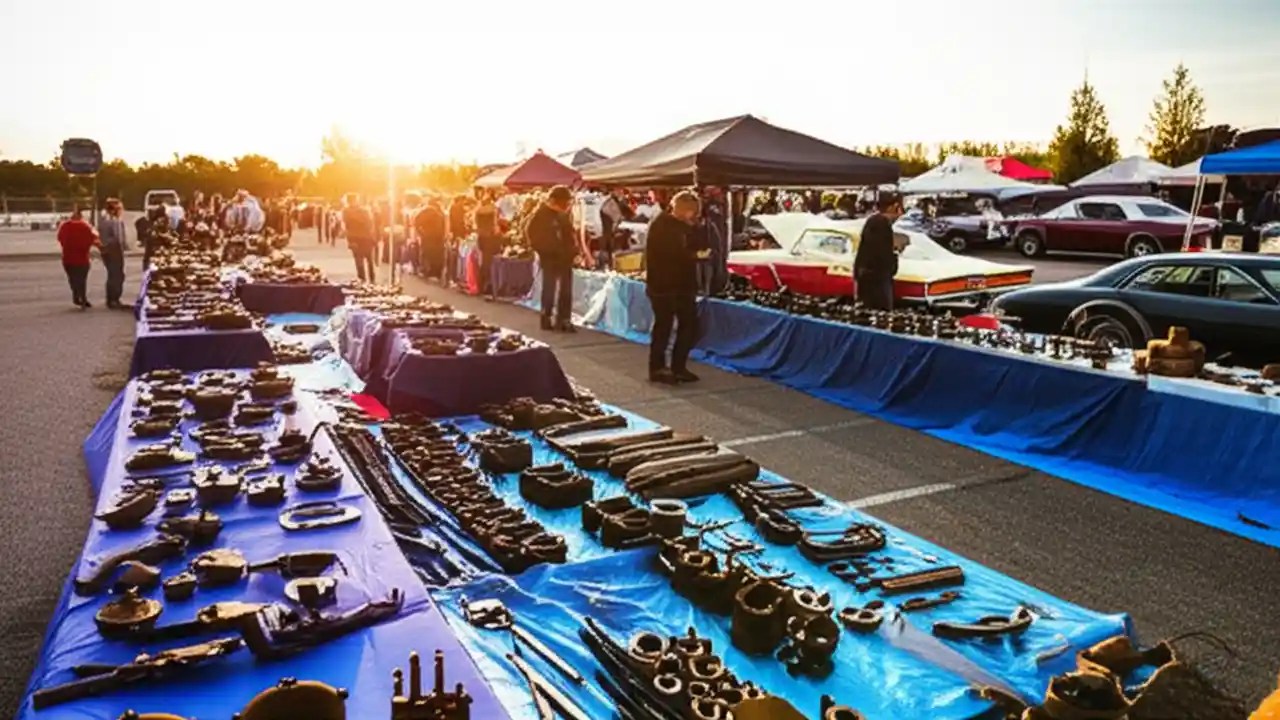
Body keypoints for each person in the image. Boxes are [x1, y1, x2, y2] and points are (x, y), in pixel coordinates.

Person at [644, 191, 703, 384]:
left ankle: (678, 366)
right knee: (664, 326)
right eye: (691, 212)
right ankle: (658, 368)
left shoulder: (683, 227)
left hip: (683, 284)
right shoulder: (662, 225)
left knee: (688, 325)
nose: (693, 216)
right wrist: (694, 256)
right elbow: (672, 254)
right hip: (663, 284)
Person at [525, 185, 577, 331]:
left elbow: (569, 234)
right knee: (550, 287)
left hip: (565, 257)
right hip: (549, 257)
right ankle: (546, 316)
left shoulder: (563, 215)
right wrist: (543, 250)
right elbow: (530, 234)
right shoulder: (540, 215)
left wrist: (574, 250)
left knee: (566, 289)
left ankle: (564, 319)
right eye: (564, 203)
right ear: (554, 201)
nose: (566, 206)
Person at [853, 193, 904, 310]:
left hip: (868, 278)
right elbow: (882, 257)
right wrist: (895, 252)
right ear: (894, 207)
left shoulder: (872, 222)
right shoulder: (881, 224)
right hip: (877, 281)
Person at [57, 208, 99, 309]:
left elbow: (60, 238)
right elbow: (93, 238)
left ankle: (76, 296)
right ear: (81, 217)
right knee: (82, 280)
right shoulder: (85, 226)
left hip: (68, 258)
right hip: (82, 258)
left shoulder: (65, 226)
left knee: (73, 279)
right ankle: (83, 298)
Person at [99, 199, 129, 309]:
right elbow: (119, 237)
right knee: (117, 274)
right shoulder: (114, 220)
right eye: (119, 208)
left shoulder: (103, 219)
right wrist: (124, 246)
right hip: (114, 250)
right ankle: (114, 298)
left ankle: (111, 298)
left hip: (106, 249)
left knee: (112, 274)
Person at [341, 194, 377, 282]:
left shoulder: (346, 211)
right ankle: (372, 279)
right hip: (366, 238)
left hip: (354, 238)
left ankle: (362, 280)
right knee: (369, 260)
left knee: (359, 261)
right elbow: (370, 224)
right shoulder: (365, 211)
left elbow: (346, 225)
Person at [473, 193, 501, 299]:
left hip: (482, 237)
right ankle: (488, 286)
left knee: (484, 262)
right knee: (490, 262)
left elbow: (476, 226)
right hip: (490, 237)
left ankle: (481, 285)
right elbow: (495, 225)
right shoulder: (493, 210)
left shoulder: (478, 212)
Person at [414, 198, 447, 280]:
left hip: (432, 237)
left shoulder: (431, 211)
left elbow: (416, 222)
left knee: (430, 254)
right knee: (432, 255)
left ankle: (430, 272)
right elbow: (417, 222)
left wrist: (421, 232)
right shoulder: (432, 212)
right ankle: (432, 272)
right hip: (433, 237)